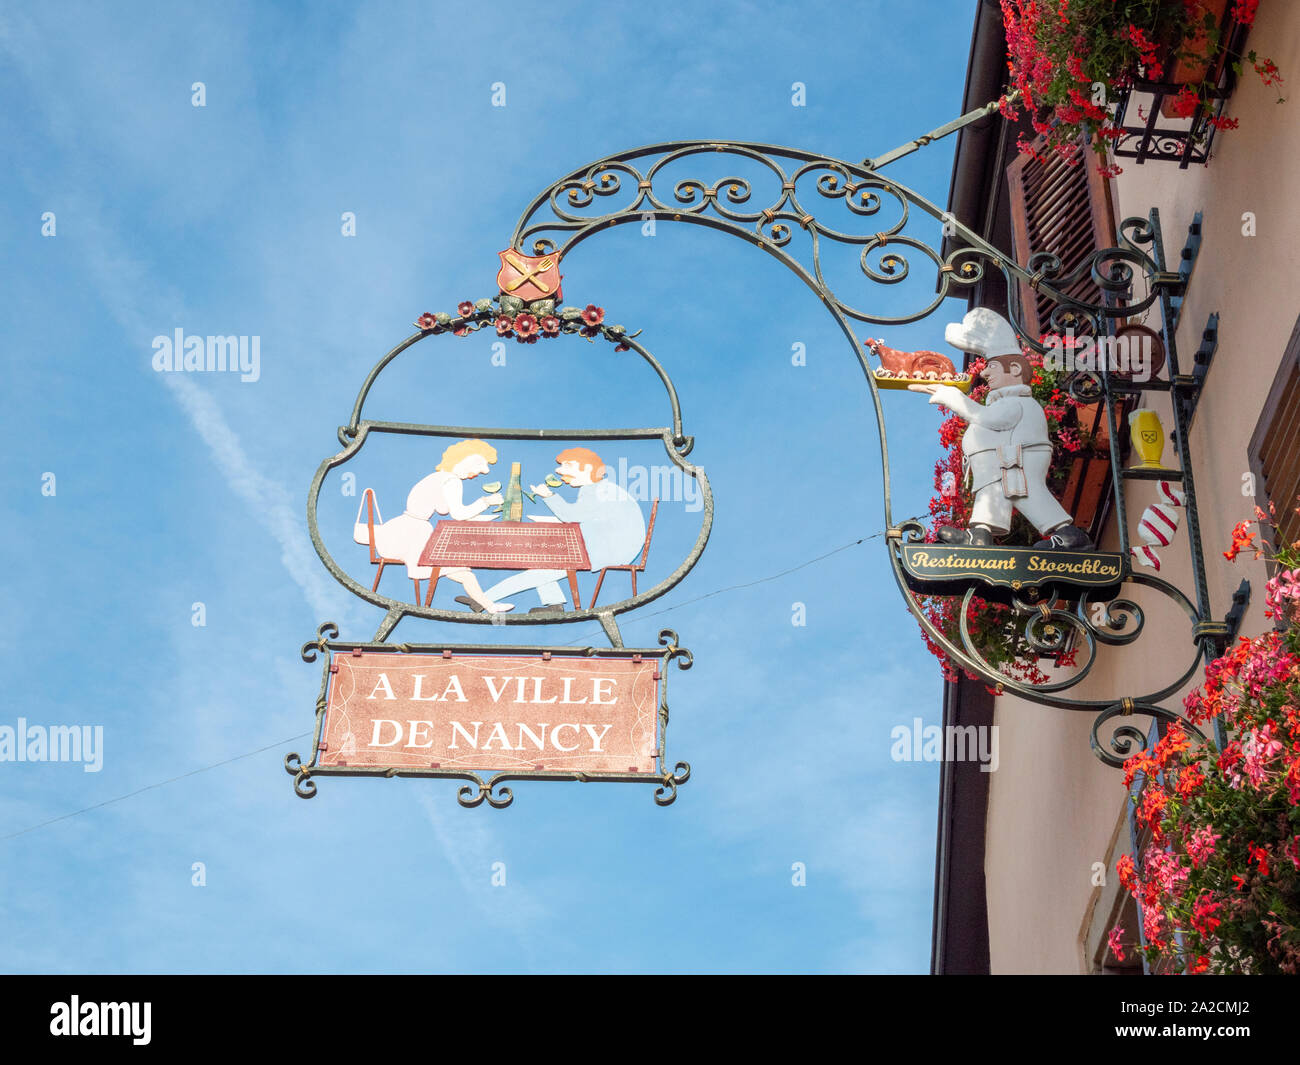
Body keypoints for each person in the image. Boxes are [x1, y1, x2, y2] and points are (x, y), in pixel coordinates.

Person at [910, 335, 1092, 551]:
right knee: (993, 494)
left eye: (992, 367)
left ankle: (1068, 535)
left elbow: (988, 419)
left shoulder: (1016, 401)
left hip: (1018, 462)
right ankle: (979, 536)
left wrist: (953, 397)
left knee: (1030, 494)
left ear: (1014, 369)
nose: (984, 373)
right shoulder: (1008, 400)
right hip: (1004, 463)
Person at [477, 447, 646, 614]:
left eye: (567, 465)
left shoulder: (597, 490)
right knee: (544, 563)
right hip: (604, 543)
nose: (559, 470)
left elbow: (571, 515)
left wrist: (548, 495)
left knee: (545, 566)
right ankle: (553, 605)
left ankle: (482, 600)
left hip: (608, 549)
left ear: (587, 468)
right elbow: (586, 518)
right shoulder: (601, 489)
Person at [369, 439, 514, 612]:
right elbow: (459, 514)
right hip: (410, 537)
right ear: (465, 460)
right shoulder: (451, 481)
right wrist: (486, 502)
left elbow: (446, 509)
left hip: (401, 531)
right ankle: (490, 606)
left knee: (464, 573)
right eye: (479, 465)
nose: (482, 471)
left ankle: (489, 606)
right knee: (462, 569)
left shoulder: (437, 477)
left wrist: (480, 516)